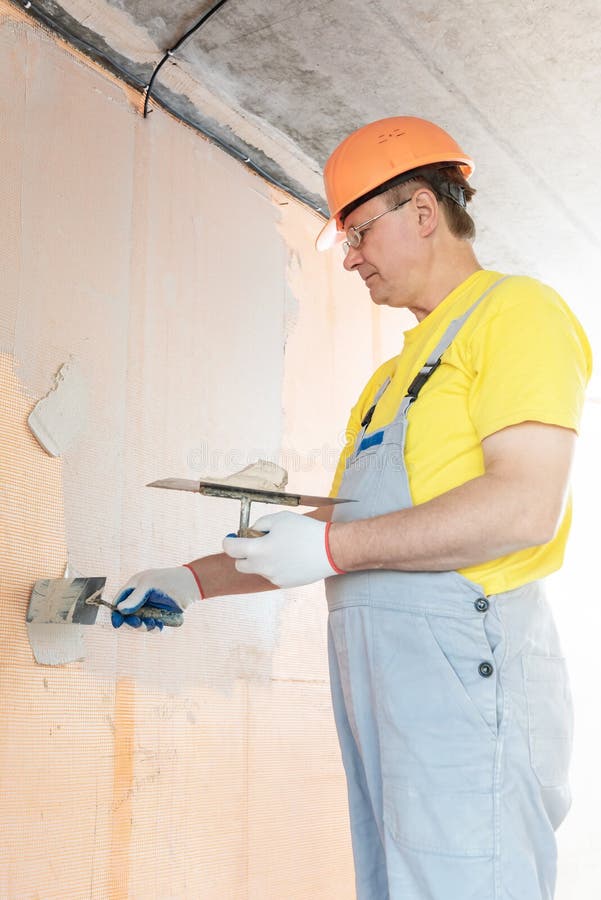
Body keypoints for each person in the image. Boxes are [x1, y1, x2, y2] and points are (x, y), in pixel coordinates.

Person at [112, 117, 592, 900]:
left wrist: (333, 551)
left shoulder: (517, 314)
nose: (352, 259)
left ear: (423, 213)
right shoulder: (391, 378)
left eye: (358, 234)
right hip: (392, 690)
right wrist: (190, 581)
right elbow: (344, 529)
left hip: (467, 678)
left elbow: (521, 506)